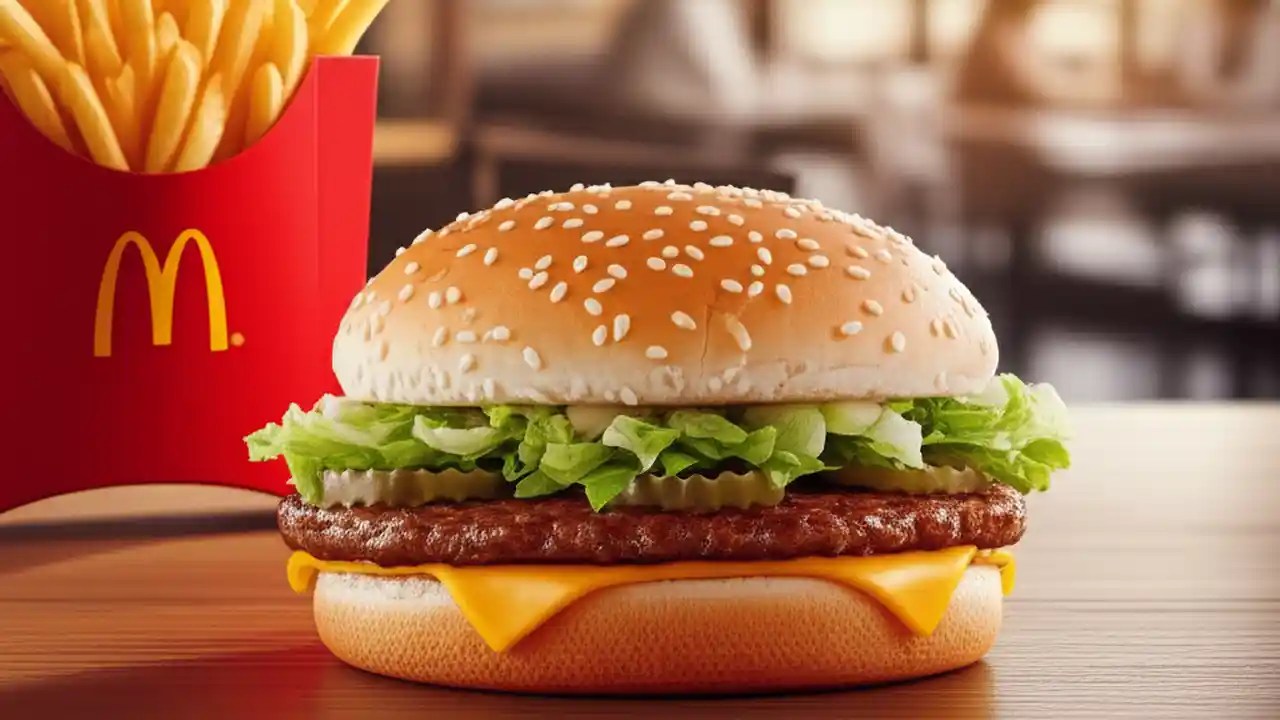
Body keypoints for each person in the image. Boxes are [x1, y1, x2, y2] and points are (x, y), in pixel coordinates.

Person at [1173, 0, 1280, 111]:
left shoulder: (1273, 33)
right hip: (1203, 115)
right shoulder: (1197, 27)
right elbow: (1190, 88)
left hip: (1259, 116)